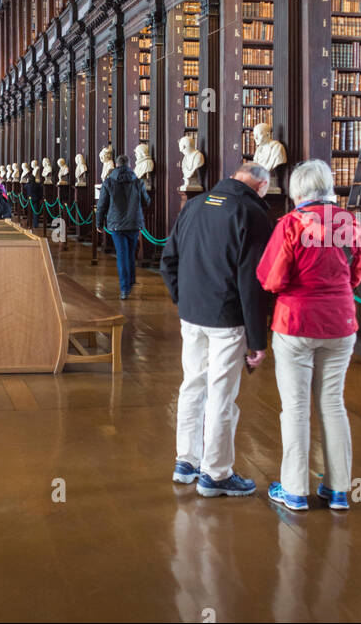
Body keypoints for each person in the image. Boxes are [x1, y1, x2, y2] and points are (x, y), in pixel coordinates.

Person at [256, 159, 361, 513]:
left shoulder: (292, 223)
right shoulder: (350, 222)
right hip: (340, 321)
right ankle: (338, 491)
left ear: (298, 191)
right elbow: (357, 275)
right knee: (333, 404)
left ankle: (295, 491)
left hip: (296, 323)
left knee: (296, 408)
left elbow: (271, 278)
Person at [159, 163, 272, 498]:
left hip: (192, 316)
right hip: (227, 319)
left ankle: (186, 462)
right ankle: (216, 474)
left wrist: (184, 299)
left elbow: (169, 261)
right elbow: (252, 284)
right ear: (262, 185)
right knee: (221, 393)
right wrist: (257, 340)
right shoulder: (252, 213)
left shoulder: (194, 205)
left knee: (192, 384)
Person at [96, 154, 150, 299]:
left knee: (122, 255)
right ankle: (131, 281)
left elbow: (101, 205)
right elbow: (146, 202)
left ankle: (125, 289)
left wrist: (98, 223)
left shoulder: (108, 182)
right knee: (131, 253)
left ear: (117, 165)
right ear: (129, 164)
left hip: (116, 225)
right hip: (133, 223)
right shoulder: (137, 181)